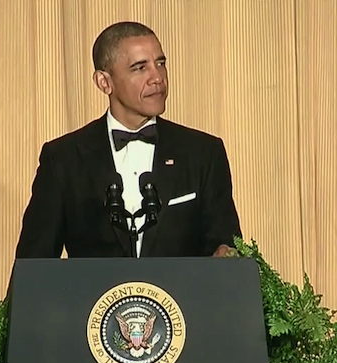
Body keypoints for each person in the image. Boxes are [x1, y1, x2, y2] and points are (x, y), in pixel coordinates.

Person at [15, 21, 241, 259]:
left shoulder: (203, 153)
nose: (157, 78)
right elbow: (33, 265)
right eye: (140, 68)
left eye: (160, 64)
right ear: (105, 82)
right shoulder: (63, 159)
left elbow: (227, 249)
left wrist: (226, 254)